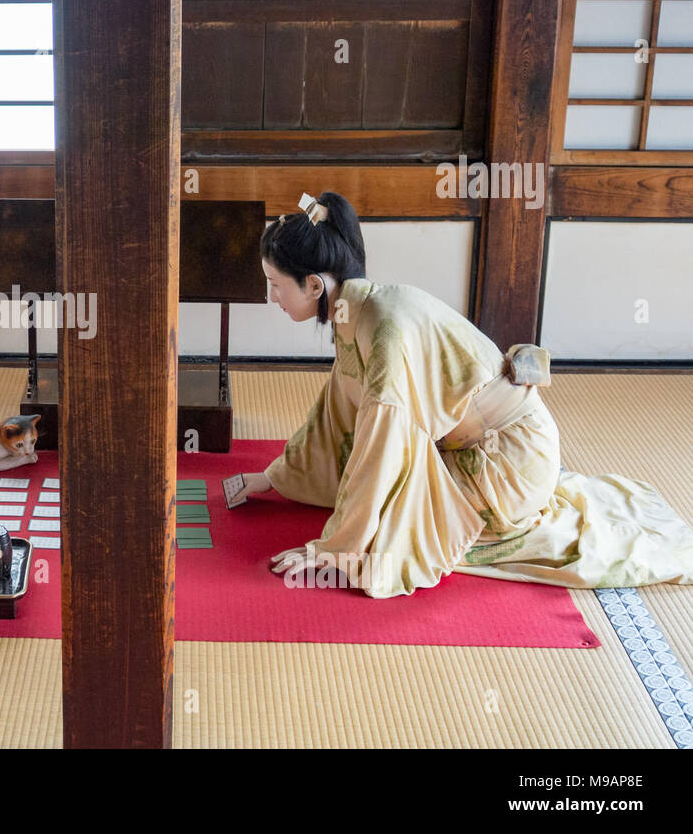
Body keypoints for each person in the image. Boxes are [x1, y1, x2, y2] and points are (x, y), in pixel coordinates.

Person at [233, 191, 693, 598]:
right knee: (385, 495)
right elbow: (337, 408)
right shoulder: (359, 309)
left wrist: (336, 548)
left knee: (402, 535)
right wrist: (279, 476)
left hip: (508, 461)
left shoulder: (386, 327)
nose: (270, 296)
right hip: (470, 446)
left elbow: (382, 442)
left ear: (314, 285)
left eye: (275, 284)